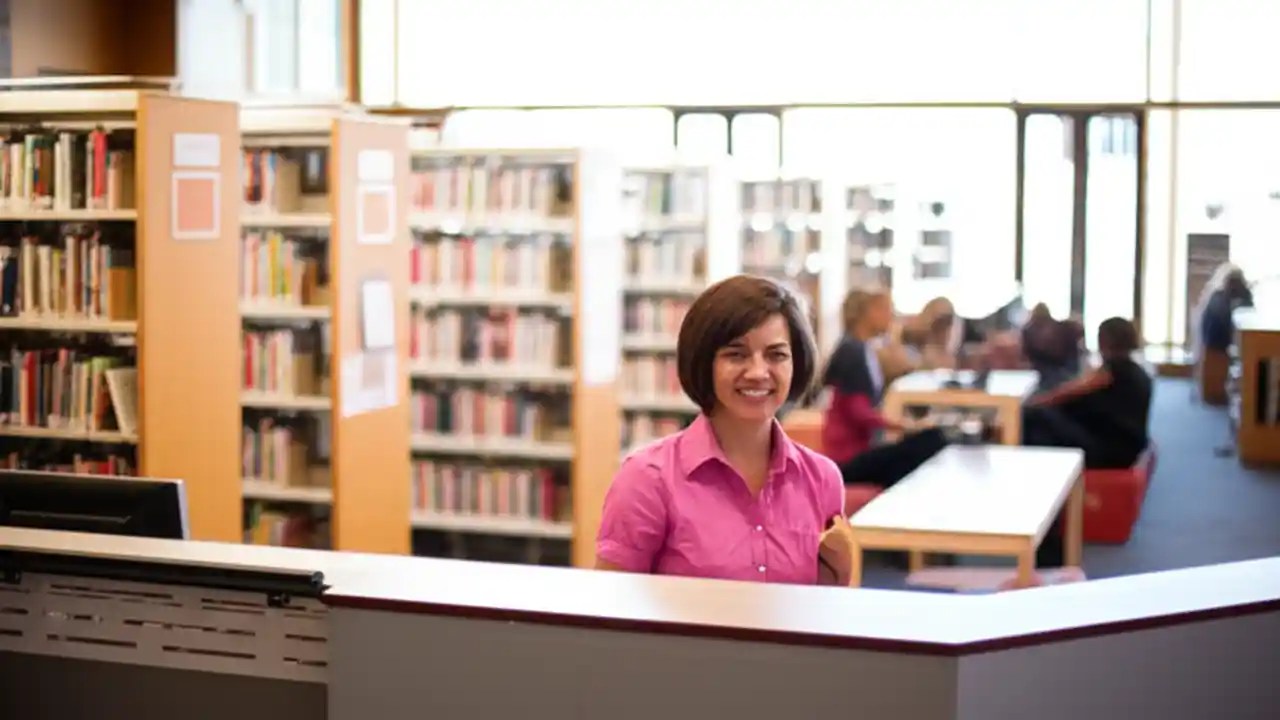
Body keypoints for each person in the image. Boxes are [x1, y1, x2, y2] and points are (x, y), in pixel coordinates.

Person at [594, 275, 846, 585]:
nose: (757, 372)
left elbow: (827, 606)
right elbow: (611, 612)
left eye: (776, 355)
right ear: (704, 362)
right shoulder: (648, 478)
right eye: (736, 354)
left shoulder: (822, 480)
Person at [1023, 317, 1153, 566]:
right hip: (1124, 447)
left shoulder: (1112, 372)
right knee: (1046, 426)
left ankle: (1046, 532)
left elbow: (1064, 394)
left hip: (1110, 450)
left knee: (1036, 419)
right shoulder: (1136, 370)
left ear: (1104, 341)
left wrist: (1032, 403)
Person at [821, 289, 948, 489]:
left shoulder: (863, 349)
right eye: (888, 309)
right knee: (933, 440)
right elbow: (858, 413)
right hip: (848, 460)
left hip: (861, 451)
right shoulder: (852, 352)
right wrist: (903, 425)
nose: (892, 316)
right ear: (870, 311)